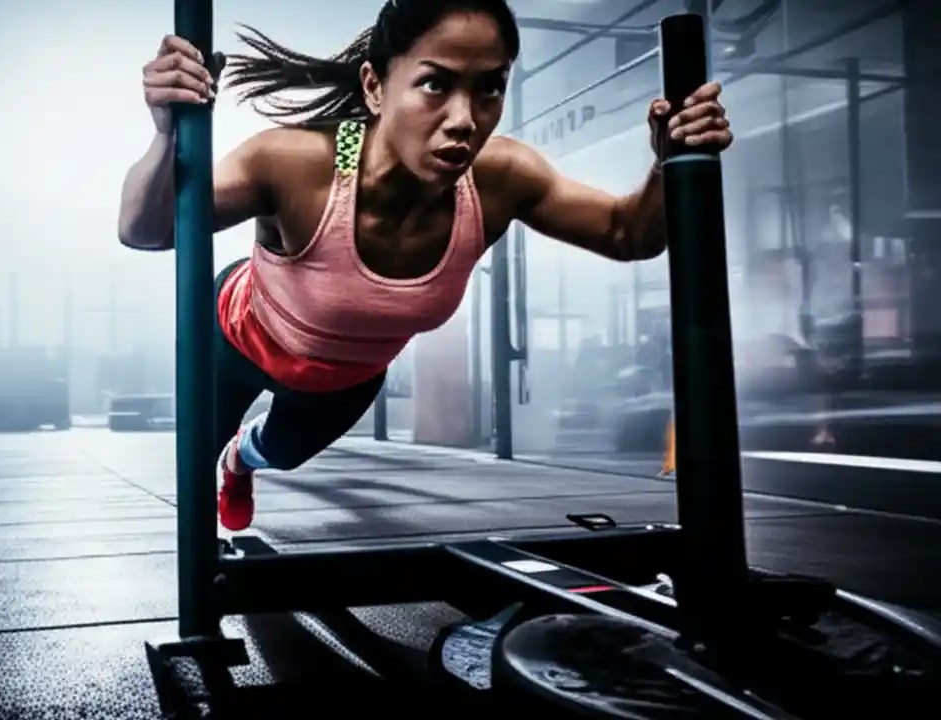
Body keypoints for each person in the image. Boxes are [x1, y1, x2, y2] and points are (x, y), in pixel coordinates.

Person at [118, 0, 734, 531]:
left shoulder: (502, 179)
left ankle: (239, 464)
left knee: (275, 453)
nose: (465, 119)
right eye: (436, 84)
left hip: (342, 381)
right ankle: (210, 502)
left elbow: (629, 233)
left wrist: (668, 164)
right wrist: (167, 137)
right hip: (236, 338)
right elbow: (144, 231)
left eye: (489, 87)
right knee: (191, 468)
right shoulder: (294, 164)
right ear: (375, 86)